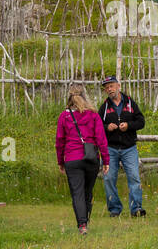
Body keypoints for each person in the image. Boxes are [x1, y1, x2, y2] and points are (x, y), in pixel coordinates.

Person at [56, 84, 109, 235]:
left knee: (77, 192)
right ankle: (85, 220)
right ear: (85, 96)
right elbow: (101, 139)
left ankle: (82, 225)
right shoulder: (93, 115)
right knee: (87, 192)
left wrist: (60, 161)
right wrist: (106, 160)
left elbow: (60, 141)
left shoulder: (64, 116)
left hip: (72, 158)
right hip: (91, 158)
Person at [98, 76, 147, 218]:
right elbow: (97, 125)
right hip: (110, 148)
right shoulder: (105, 107)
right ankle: (114, 209)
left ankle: (136, 208)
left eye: (111, 86)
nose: (109, 89)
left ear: (118, 86)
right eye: (106, 88)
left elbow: (141, 122)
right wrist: (108, 127)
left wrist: (128, 126)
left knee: (134, 177)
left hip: (129, 148)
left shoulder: (130, 103)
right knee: (108, 178)